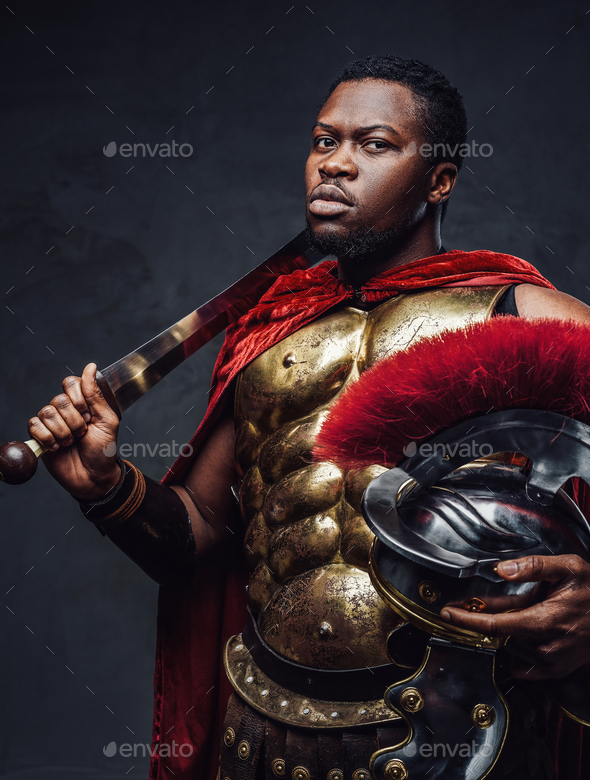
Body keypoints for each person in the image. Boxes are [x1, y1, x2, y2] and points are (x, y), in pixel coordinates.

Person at [28, 55, 590, 780]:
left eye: (374, 145)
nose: (336, 166)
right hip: (264, 738)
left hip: (461, 741)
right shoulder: (272, 332)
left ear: (440, 179)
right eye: (325, 141)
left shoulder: (520, 315)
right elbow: (197, 535)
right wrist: (103, 485)